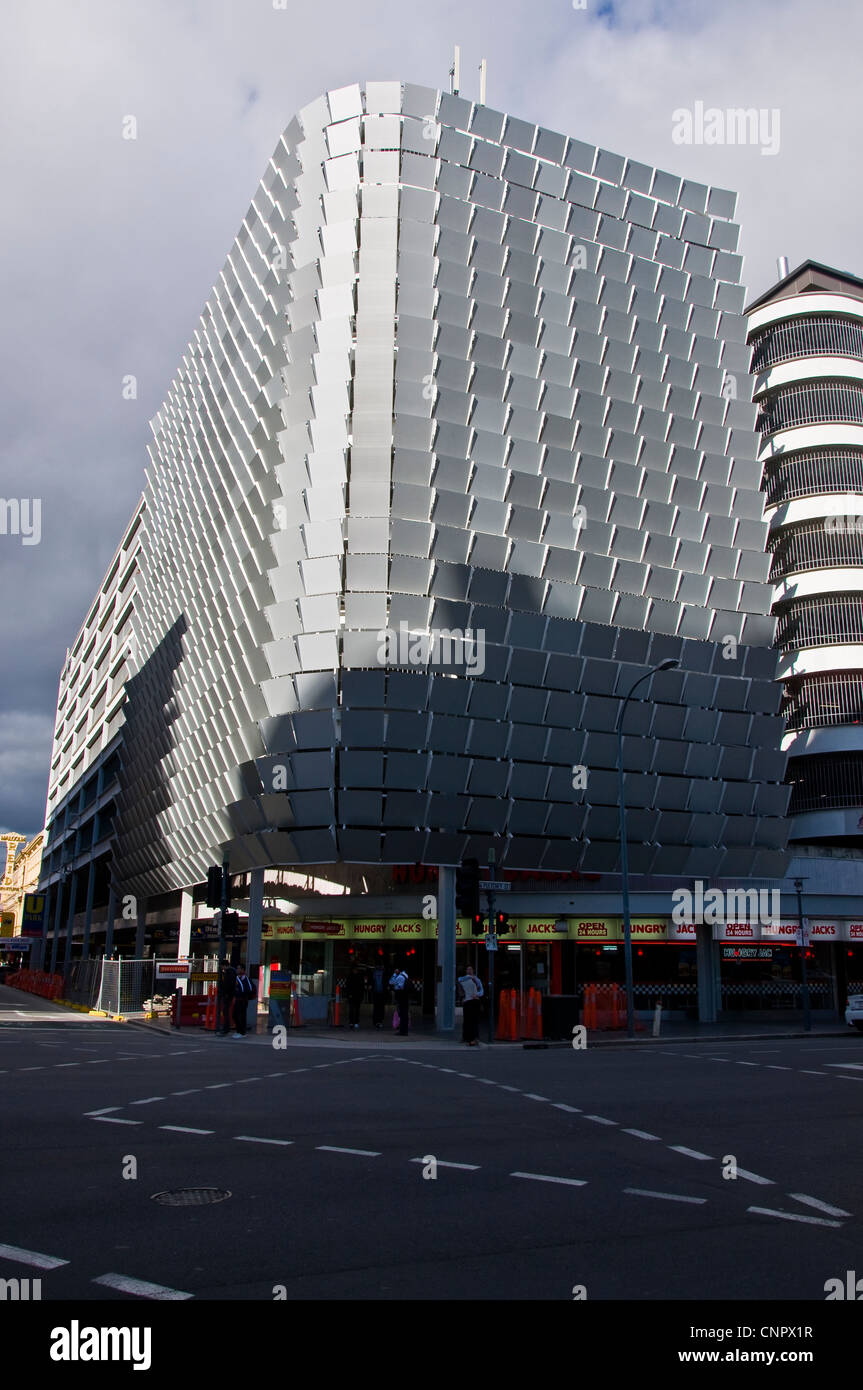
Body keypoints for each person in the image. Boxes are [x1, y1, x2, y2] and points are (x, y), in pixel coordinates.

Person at [458, 964, 484, 1046]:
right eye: (468, 969)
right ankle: (466, 1037)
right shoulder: (464, 979)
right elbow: (459, 980)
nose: (469, 971)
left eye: (471, 969)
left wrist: (477, 995)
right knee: (466, 1020)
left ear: (473, 971)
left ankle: (474, 1037)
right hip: (467, 1001)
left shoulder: (477, 980)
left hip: (474, 1001)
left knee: (474, 1020)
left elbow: (481, 990)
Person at [232, 964, 257, 1037]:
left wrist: (239, 987)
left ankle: (241, 1032)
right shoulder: (236, 978)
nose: (238, 970)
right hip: (237, 999)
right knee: (235, 1015)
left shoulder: (246, 979)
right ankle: (238, 1030)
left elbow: (248, 989)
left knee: (241, 1016)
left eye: (239, 968)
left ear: (243, 970)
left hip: (243, 1000)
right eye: (237, 968)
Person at [217, 958, 237, 1036]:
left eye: (222, 966)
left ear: (224, 966)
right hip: (229, 994)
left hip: (228, 995)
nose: (221, 968)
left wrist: (226, 993)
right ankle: (226, 1027)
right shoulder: (231, 972)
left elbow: (228, 984)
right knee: (226, 1011)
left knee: (226, 1011)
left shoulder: (229, 972)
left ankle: (226, 1028)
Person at [390, 964, 410, 1036]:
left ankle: (403, 1031)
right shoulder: (405, 975)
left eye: (396, 969)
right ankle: (404, 1030)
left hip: (401, 997)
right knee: (404, 1014)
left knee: (402, 1014)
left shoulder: (400, 976)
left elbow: (391, 982)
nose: (395, 970)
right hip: (405, 997)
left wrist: (394, 974)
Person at [345, 964, 366, 1030]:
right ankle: (352, 1022)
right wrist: (349, 994)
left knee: (356, 1009)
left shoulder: (359, 977)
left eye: (356, 970)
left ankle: (356, 1022)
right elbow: (348, 986)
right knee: (352, 1009)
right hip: (352, 995)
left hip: (357, 995)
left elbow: (361, 987)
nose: (355, 971)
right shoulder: (351, 976)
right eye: (354, 970)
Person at [370, 961, 388, 1030]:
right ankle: (378, 1021)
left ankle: (377, 1021)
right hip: (378, 992)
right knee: (379, 1007)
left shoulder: (376, 973)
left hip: (379, 992)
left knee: (378, 1007)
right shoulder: (376, 973)